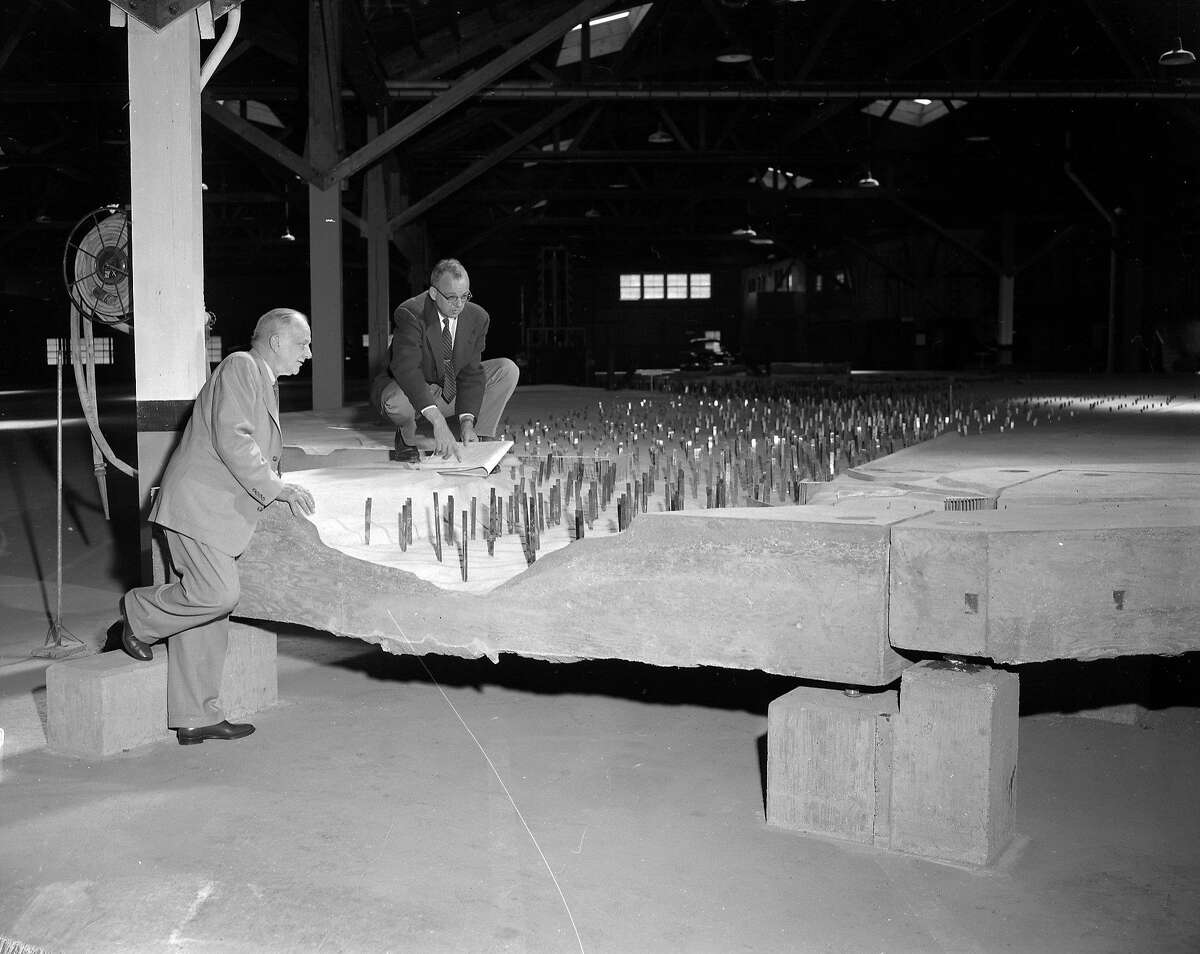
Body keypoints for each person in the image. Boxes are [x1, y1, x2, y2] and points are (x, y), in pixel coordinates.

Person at [118, 308, 317, 745]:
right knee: (216, 593)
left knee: (207, 616)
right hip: (198, 506)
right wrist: (276, 488)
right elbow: (234, 438)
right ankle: (138, 613)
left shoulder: (263, 380)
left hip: (217, 511)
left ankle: (194, 716)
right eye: (302, 343)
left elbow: (258, 445)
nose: (308, 352)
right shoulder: (241, 367)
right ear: (276, 340)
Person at [369, 258, 519, 462]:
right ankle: (406, 437)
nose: (459, 305)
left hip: (449, 386)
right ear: (433, 293)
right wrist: (439, 423)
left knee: (507, 369)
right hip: (413, 388)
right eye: (451, 297)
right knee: (396, 404)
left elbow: (471, 373)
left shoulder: (478, 317)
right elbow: (407, 370)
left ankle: (478, 439)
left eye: (465, 296)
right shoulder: (410, 313)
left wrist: (467, 422)